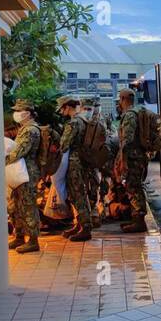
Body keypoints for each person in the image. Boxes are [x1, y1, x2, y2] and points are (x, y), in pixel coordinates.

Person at [56, 94, 97, 240]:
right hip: (83, 161)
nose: (61, 112)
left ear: (68, 107)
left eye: (62, 108)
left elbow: (64, 145)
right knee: (79, 193)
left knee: (77, 194)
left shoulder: (73, 123)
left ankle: (85, 227)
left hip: (74, 163)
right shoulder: (84, 120)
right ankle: (80, 224)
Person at [6, 97, 42, 253]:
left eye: (18, 111)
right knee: (17, 205)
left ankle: (33, 240)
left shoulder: (31, 130)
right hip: (20, 172)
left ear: (27, 113)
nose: (16, 114)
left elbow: (18, 152)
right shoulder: (24, 129)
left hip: (27, 172)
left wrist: (2, 159)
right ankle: (19, 236)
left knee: (28, 205)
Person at [115, 86, 148, 233]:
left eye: (120, 99)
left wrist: (123, 159)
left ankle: (139, 220)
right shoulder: (138, 112)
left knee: (133, 187)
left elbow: (126, 140)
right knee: (134, 186)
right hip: (138, 155)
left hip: (133, 157)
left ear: (123, 99)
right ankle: (136, 218)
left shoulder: (129, 115)